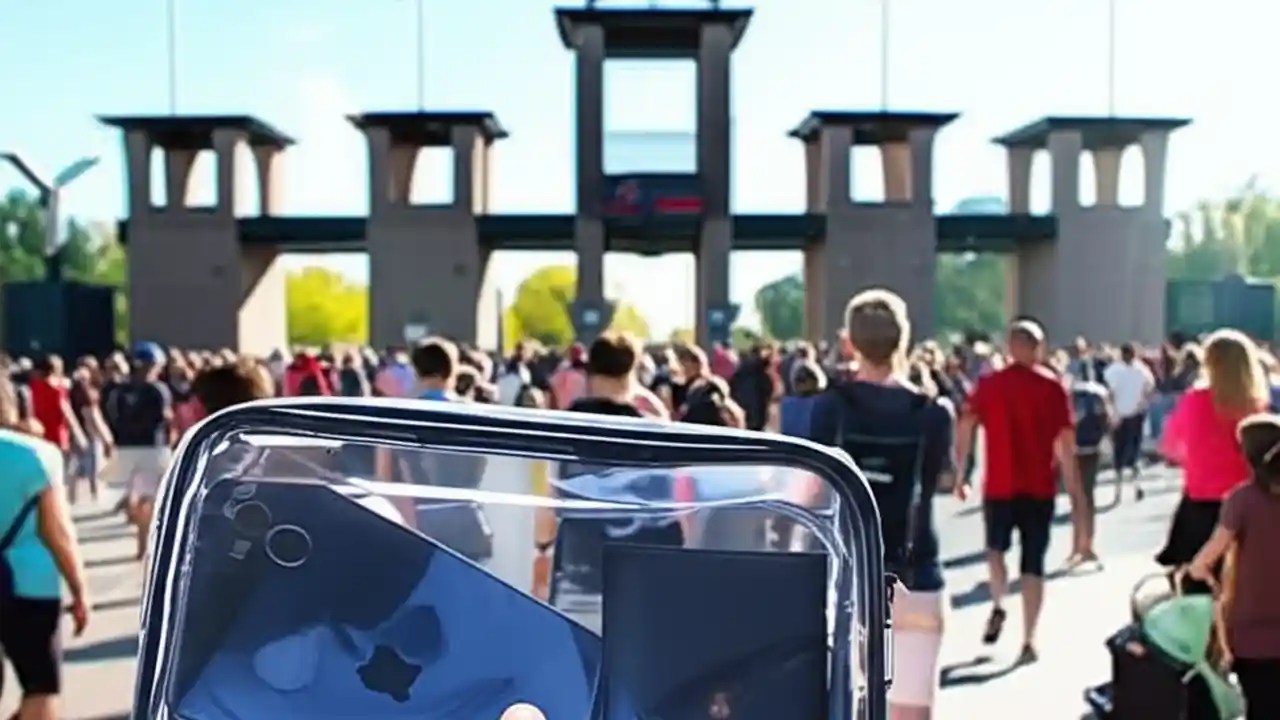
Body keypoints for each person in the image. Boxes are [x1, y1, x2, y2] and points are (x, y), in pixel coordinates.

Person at [807, 289, 954, 720]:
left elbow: (812, 492)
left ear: (849, 342)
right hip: (915, 574)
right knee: (911, 710)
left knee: (844, 707)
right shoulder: (933, 412)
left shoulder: (830, 407)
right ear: (903, 339)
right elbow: (940, 478)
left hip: (844, 578)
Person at [954, 319, 1083, 665]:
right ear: (1037, 348)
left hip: (1000, 484)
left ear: (1010, 348)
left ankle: (998, 601)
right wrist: (1073, 487)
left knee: (995, 551)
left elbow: (965, 424)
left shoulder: (990, 386)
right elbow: (1065, 442)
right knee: (1033, 564)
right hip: (1039, 486)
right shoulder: (1052, 387)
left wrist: (960, 471)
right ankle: (1029, 638)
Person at [0, 373, 90, 720]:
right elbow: (57, 531)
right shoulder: (36, 454)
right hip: (29, 584)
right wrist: (79, 589)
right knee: (41, 688)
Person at [1157, 329, 1268, 586]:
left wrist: (1199, 457)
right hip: (1244, 506)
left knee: (1192, 581)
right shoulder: (1254, 406)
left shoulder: (1194, 400)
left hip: (1199, 501)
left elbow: (1170, 446)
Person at [1187, 413, 1280, 719]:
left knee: (1261, 705)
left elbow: (1208, 557)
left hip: (1252, 631)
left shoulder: (1242, 500)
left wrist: (1195, 570)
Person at [104, 342, 176, 561]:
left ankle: (142, 542)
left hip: (126, 448)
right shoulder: (158, 389)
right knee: (150, 499)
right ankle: (145, 544)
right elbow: (167, 419)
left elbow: (112, 417)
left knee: (134, 498)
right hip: (152, 448)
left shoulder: (119, 390)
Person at [1066, 371, 1111, 569]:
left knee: (1076, 499)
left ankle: (1078, 547)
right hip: (1092, 448)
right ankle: (1087, 545)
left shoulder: (1069, 396)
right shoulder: (1097, 394)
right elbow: (1111, 420)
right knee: (1088, 497)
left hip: (1071, 449)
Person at [1103, 343, 1155, 502]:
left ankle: (1130, 487)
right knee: (1125, 452)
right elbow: (1109, 393)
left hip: (1129, 416)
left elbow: (1149, 388)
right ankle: (1125, 488)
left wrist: (1142, 405)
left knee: (1128, 452)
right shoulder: (1120, 370)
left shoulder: (1138, 370)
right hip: (1125, 416)